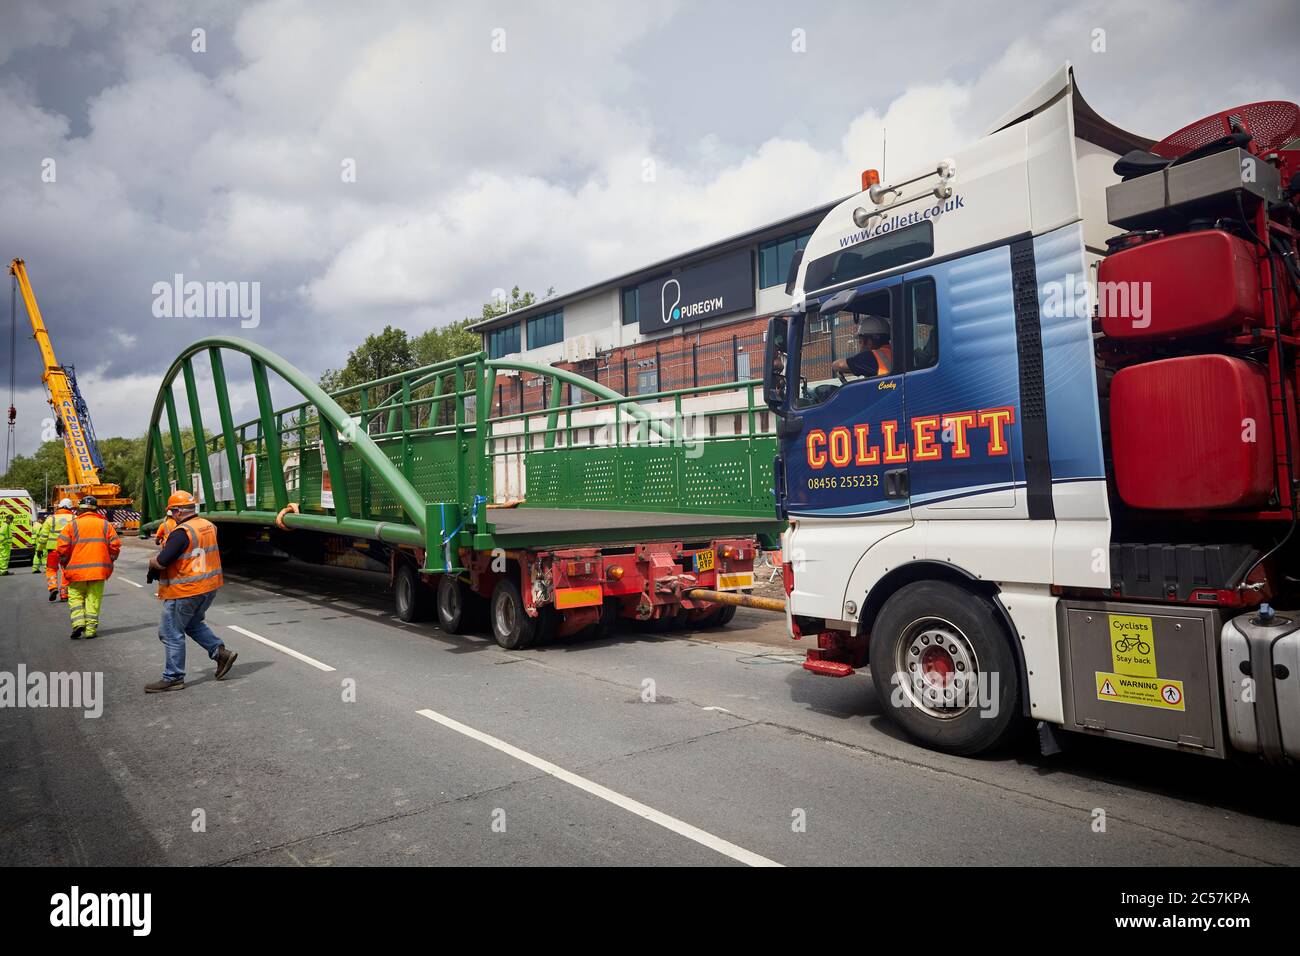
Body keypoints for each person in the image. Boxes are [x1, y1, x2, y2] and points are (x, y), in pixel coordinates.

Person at [146, 490, 236, 693]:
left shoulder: (181, 532)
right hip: (208, 587)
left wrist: (152, 561)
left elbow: (162, 562)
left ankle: (173, 677)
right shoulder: (208, 526)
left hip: (185, 591)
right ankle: (220, 653)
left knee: (171, 633)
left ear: (177, 511)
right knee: (193, 623)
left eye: (171, 512)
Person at [54, 495, 121, 640]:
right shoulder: (105, 525)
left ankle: (78, 622)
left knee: (76, 597)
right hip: (98, 571)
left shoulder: (72, 525)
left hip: (75, 571)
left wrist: (64, 561)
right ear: (96, 509)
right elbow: (115, 545)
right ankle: (90, 630)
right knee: (93, 599)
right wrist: (112, 557)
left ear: (79, 509)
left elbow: (62, 547)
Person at [35, 498, 75, 601]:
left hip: (52, 551)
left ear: (59, 506)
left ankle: (53, 587)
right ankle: (64, 594)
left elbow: (43, 537)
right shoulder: (75, 518)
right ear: (70, 507)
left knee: (51, 569)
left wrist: (39, 549)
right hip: (67, 551)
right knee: (66, 571)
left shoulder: (50, 519)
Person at [0, 511, 12, 576]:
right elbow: (1, 535)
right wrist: (4, 543)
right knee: (3, 558)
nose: (10, 520)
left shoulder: (7, 525)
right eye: (9, 519)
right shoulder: (5, 526)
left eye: (11, 519)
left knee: (5, 558)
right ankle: (3, 571)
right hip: (4, 546)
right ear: (6, 519)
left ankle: (5, 570)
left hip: (6, 546)